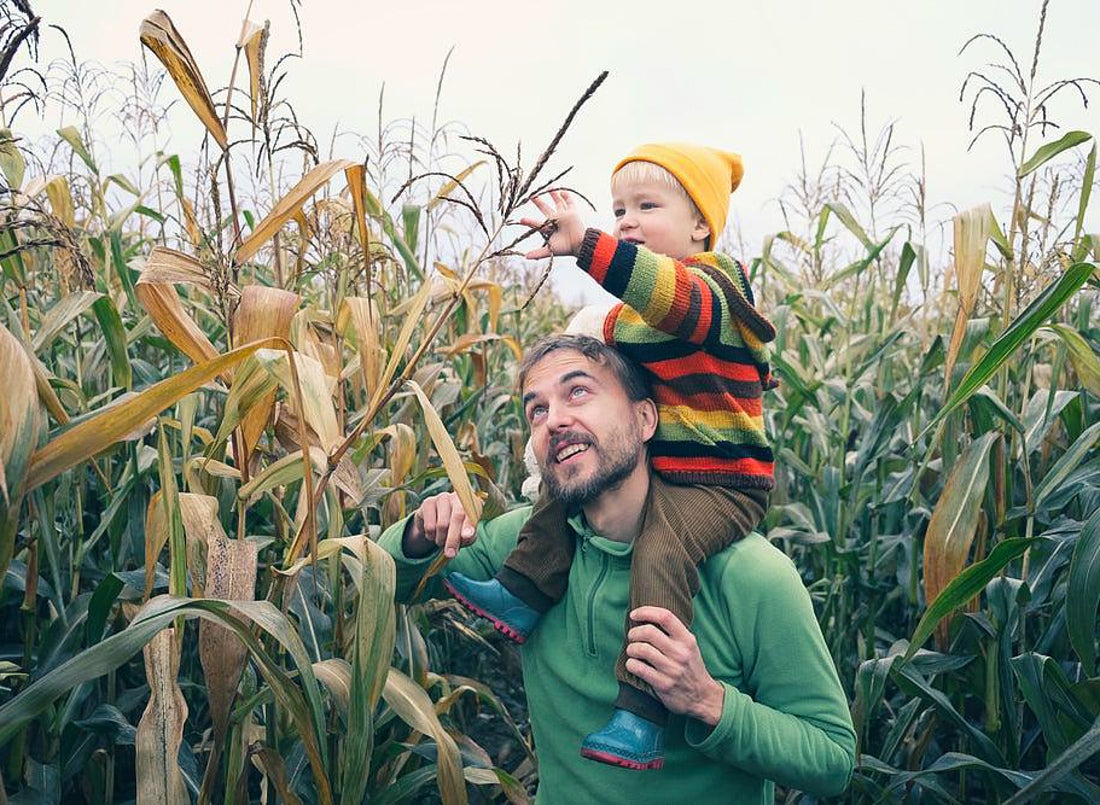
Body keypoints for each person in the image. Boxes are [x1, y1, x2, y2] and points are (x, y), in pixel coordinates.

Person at [377, 334, 855, 803]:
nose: (554, 421)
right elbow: (385, 579)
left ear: (645, 418)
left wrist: (708, 700)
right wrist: (421, 532)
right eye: (536, 410)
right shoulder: (523, 548)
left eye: (578, 392)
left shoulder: (751, 574)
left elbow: (832, 759)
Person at [443, 143, 778, 769]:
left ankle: (642, 712)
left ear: (701, 226)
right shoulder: (630, 317)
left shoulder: (715, 287)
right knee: (565, 466)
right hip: (668, 465)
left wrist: (588, 244)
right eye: (619, 207)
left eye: (647, 206)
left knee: (663, 548)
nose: (626, 219)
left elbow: (670, 297)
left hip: (724, 481)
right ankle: (523, 587)